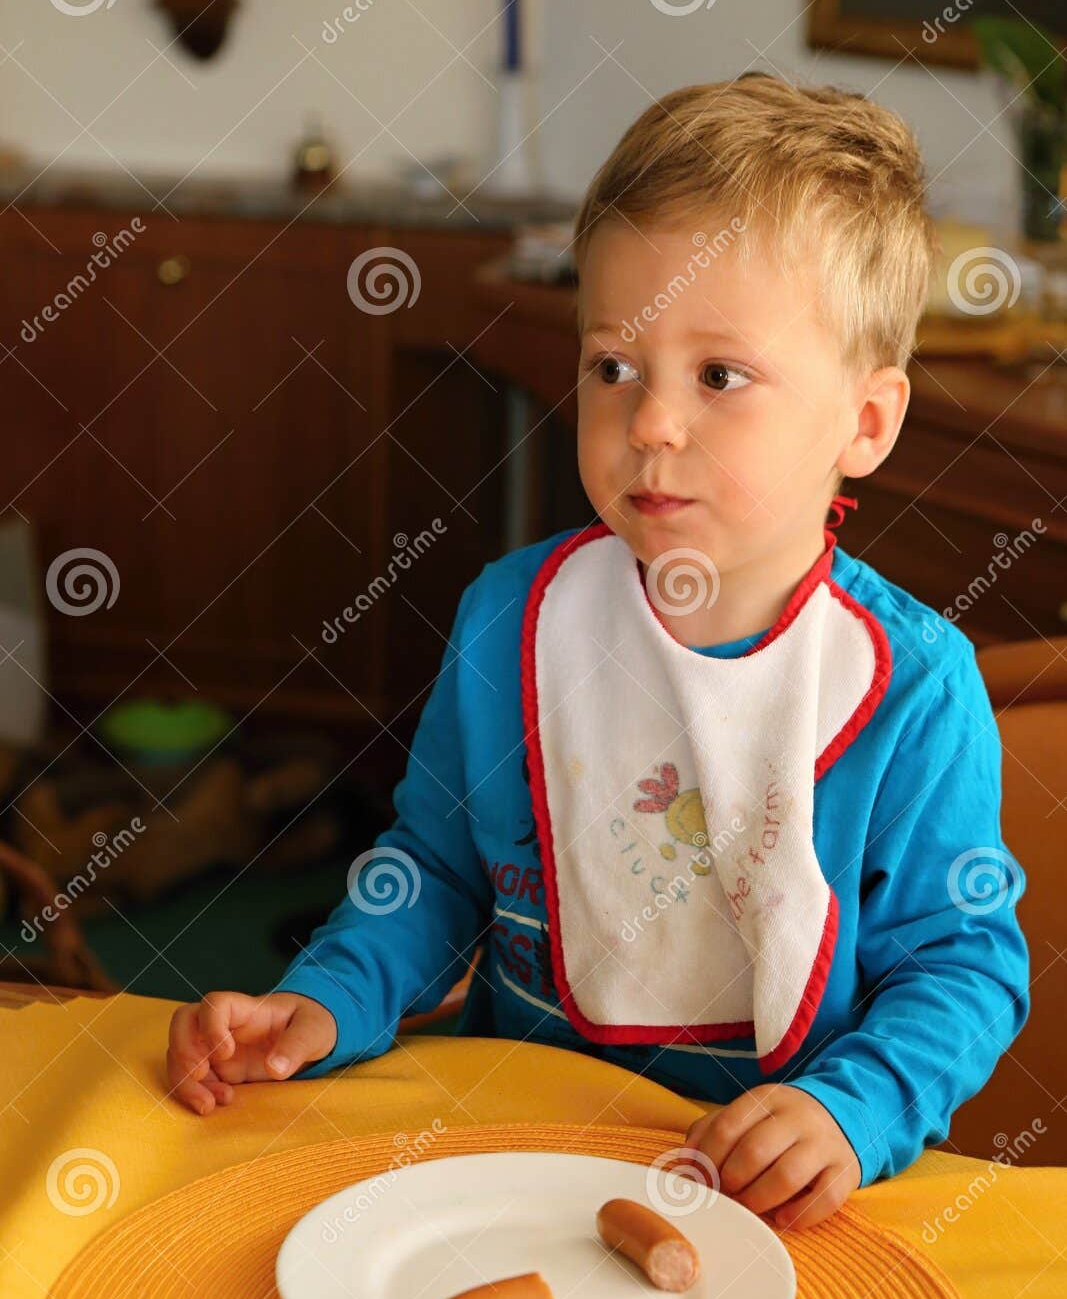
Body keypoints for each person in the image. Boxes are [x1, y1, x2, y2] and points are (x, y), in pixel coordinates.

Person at [166, 73, 1030, 1232]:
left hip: (775, 1211)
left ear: (864, 422)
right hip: (510, 1153)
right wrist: (324, 998)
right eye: (611, 365)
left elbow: (964, 969)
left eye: (718, 376)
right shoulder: (510, 621)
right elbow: (431, 870)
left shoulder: (912, 689)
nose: (650, 421)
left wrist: (852, 1109)